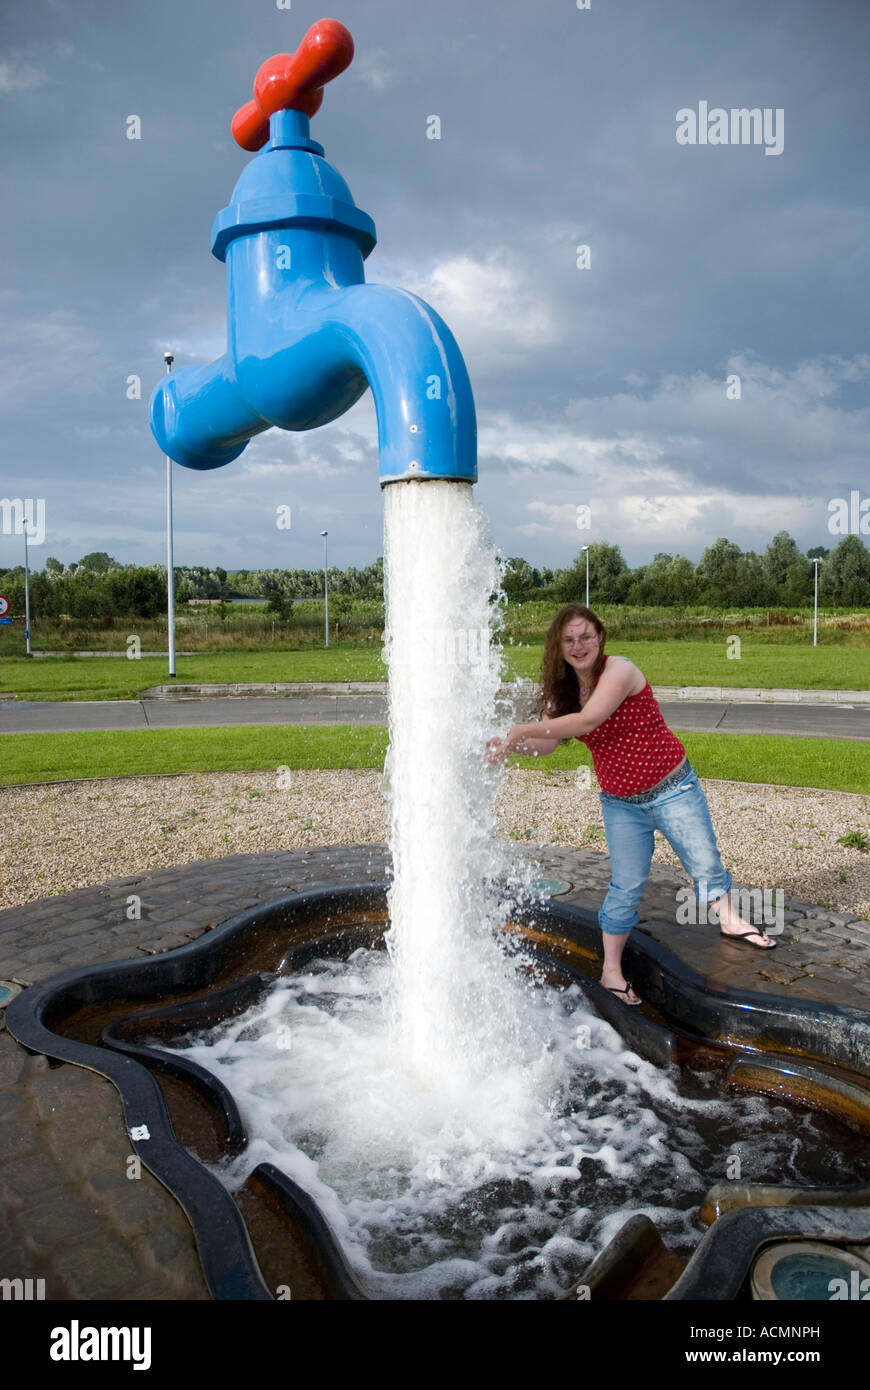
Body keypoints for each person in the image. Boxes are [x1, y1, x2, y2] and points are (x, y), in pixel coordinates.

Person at [485, 603, 774, 1006]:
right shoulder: (564, 690)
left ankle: (729, 920)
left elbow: (589, 721)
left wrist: (521, 729)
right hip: (621, 803)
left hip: (673, 787)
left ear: (600, 637)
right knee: (625, 884)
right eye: (569, 639)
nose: (578, 644)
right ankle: (611, 973)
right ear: (558, 646)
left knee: (703, 861)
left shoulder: (619, 670)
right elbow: (548, 743)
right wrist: (507, 745)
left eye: (586, 636)